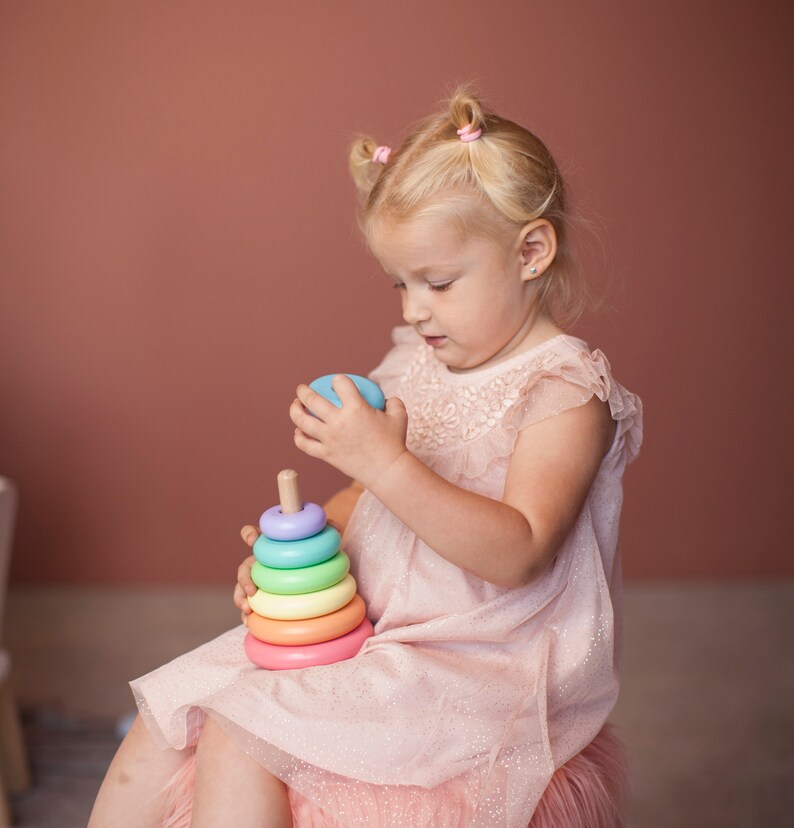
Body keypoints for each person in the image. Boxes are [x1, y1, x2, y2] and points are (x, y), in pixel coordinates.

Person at [89, 89, 642, 828]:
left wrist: (386, 464)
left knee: (240, 733)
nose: (413, 309)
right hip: (376, 621)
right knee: (170, 711)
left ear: (530, 252)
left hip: (481, 660)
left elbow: (521, 551)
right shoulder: (417, 357)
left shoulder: (565, 390)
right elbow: (365, 499)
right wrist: (299, 561)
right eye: (401, 283)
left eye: (438, 282)